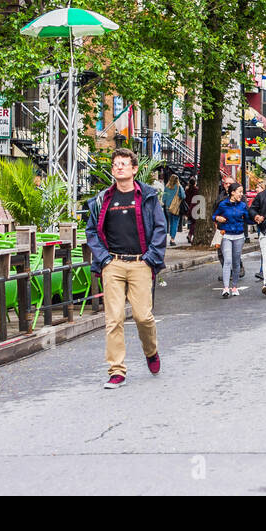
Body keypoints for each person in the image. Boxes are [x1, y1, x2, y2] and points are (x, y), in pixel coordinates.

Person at [85, 147, 167, 388]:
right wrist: (104, 259)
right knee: (114, 319)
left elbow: (160, 229)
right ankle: (117, 370)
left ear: (134, 169)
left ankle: (151, 352)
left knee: (143, 316)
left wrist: (150, 258)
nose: (119, 167)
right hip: (113, 263)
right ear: (113, 170)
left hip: (140, 263)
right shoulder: (103, 200)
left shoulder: (148, 196)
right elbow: (92, 232)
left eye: (124, 163)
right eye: (116, 164)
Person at [213, 182, 249, 297]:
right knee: (227, 260)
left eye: (242, 192)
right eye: (239, 192)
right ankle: (226, 288)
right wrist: (217, 217)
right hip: (227, 235)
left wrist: (258, 219)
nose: (241, 194)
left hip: (239, 236)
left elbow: (249, 219)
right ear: (232, 192)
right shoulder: (223, 204)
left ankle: (234, 286)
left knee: (236, 262)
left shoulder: (242, 205)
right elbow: (214, 216)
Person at [163, 173, 186, 246]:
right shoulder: (179, 187)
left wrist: (167, 203)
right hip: (175, 208)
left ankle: (170, 235)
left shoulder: (167, 186)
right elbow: (183, 196)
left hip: (168, 208)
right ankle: (172, 239)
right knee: (175, 223)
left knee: (170, 222)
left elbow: (163, 198)